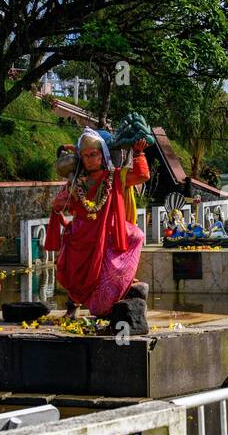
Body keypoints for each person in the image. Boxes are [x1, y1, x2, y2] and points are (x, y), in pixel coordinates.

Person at [44, 124, 151, 317]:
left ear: (102, 155)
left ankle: (110, 303)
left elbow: (143, 175)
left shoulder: (117, 176)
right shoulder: (76, 183)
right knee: (72, 271)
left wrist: (139, 154)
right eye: (85, 156)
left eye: (93, 154)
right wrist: (60, 203)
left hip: (107, 235)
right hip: (81, 237)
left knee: (135, 236)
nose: (89, 159)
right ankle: (72, 306)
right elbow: (60, 205)